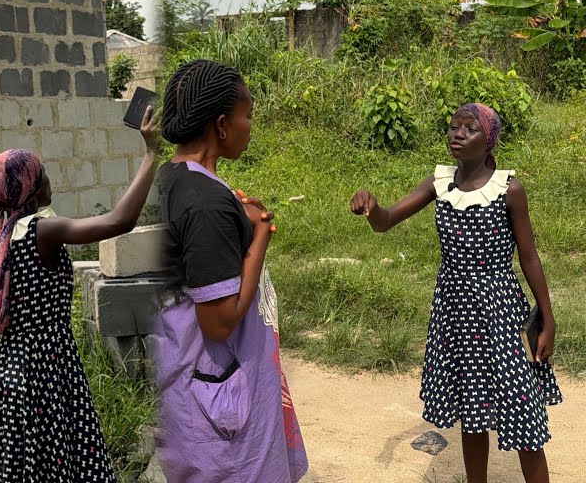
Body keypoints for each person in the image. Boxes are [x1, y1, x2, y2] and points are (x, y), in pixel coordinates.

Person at [350, 102, 560, 483]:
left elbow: (529, 257)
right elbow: (385, 222)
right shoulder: (438, 185)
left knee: (524, 411)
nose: (457, 134)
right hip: (456, 314)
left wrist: (547, 318)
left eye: (469, 129)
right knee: (472, 411)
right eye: (453, 127)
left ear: (490, 141)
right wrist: (371, 205)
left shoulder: (509, 190)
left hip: (501, 315)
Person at [0, 110, 160, 482]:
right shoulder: (42, 231)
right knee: (61, 462)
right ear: (30, 186)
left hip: (6, 375)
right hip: (47, 371)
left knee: (16, 469)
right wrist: (150, 154)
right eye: (42, 173)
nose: (48, 179)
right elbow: (118, 222)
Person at [152, 59, 307, 483]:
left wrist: (237, 216)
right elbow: (219, 323)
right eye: (247, 115)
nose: (249, 125)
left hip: (198, 380)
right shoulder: (205, 203)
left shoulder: (177, 178)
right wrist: (259, 236)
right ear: (221, 125)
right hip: (221, 390)